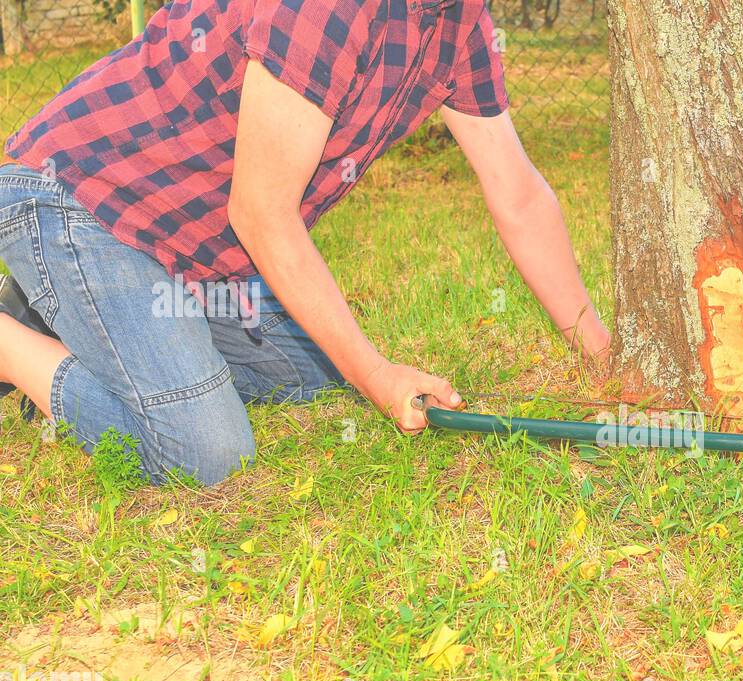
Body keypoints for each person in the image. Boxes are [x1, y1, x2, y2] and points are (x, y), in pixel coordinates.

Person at [0, 0, 609, 485]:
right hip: (80, 196)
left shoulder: (461, 20)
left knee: (312, 371)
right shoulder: (326, 7)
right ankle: (12, 343)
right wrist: (374, 372)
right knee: (204, 448)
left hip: (190, 255)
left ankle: (78, 321)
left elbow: (519, 195)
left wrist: (600, 354)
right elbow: (262, 213)